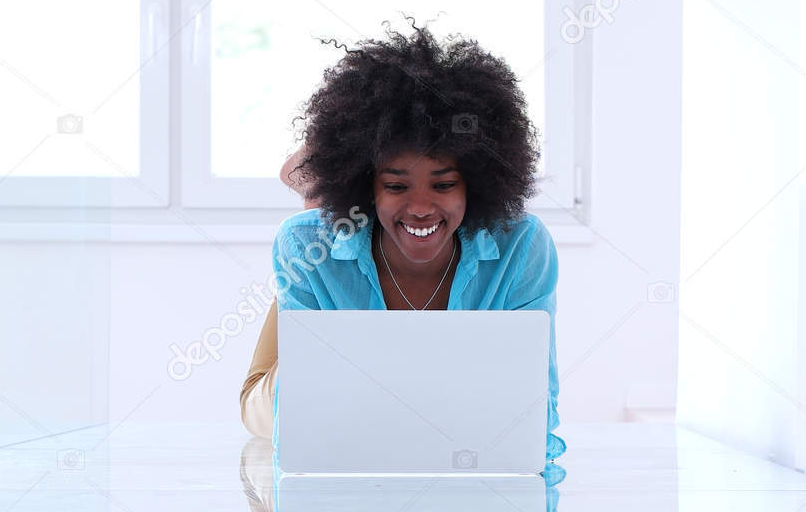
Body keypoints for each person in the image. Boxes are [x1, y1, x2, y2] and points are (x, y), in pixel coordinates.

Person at [239, 23, 564, 474]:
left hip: (358, 227)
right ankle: (327, 192)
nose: (422, 206)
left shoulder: (522, 247)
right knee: (320, 236)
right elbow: (297, 425)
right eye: (395, 184)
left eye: (444, 183)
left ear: (476, 182)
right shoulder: (305, 244)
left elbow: (535, 415)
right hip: (327, 259)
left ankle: (342, 191)